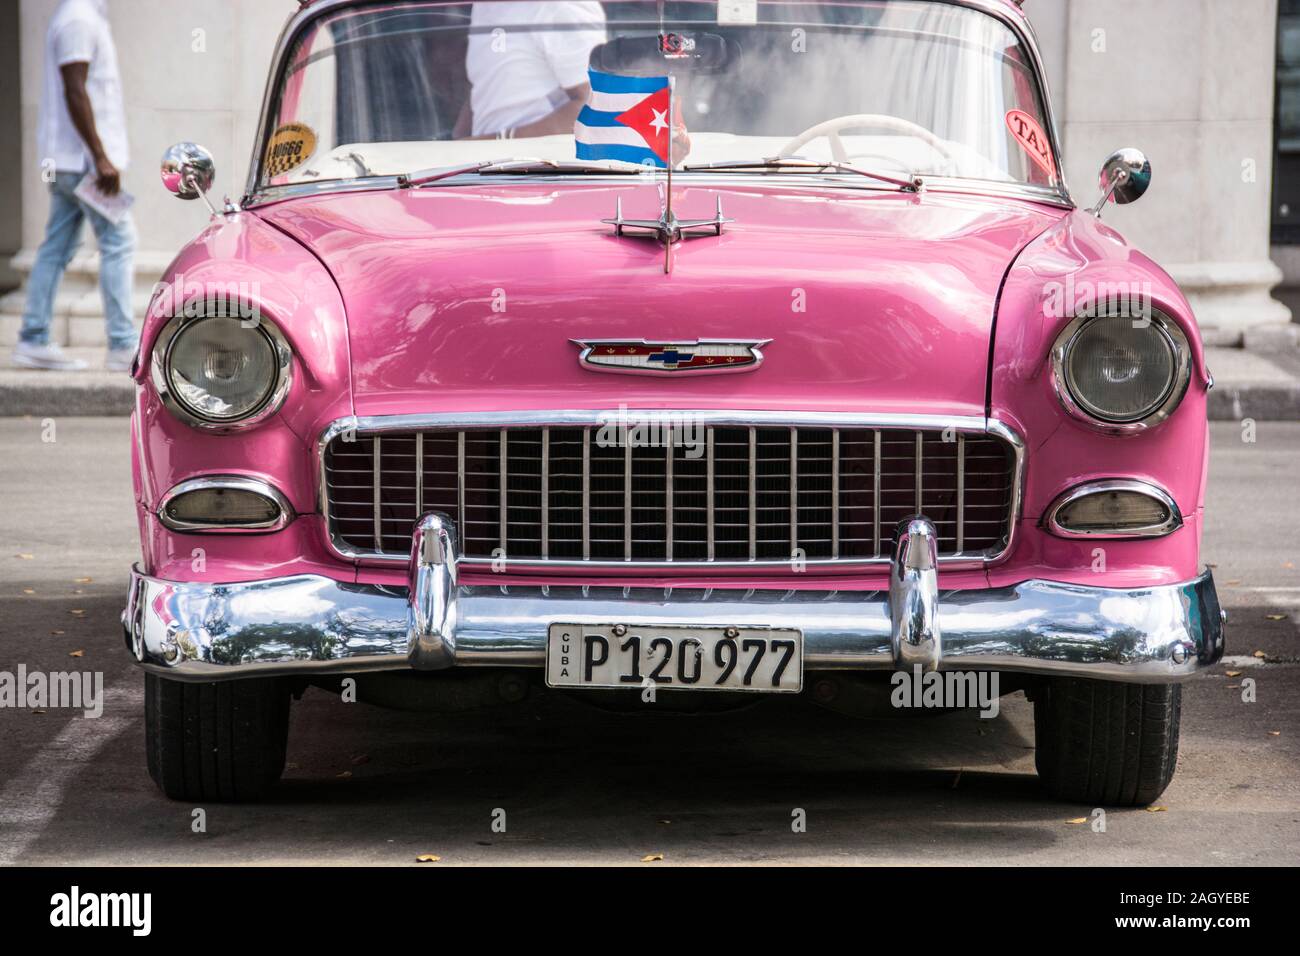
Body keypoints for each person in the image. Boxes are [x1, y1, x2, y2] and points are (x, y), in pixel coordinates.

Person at [14, 0, 135, 372]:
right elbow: (75, 91)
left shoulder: (79, 16)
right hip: (83, 163)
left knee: (57, 245)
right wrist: (100, 157)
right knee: (120, 241)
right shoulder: (78, 19)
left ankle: (33, 337)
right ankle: (122, 344)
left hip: (70, 160)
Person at [454, 1, 608, 140]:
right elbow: (489, 83)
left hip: (544, 165)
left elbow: (598, 104)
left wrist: (500, 141)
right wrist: (459, 141)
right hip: (480, 164)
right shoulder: (482, 7)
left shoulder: (561, 5)